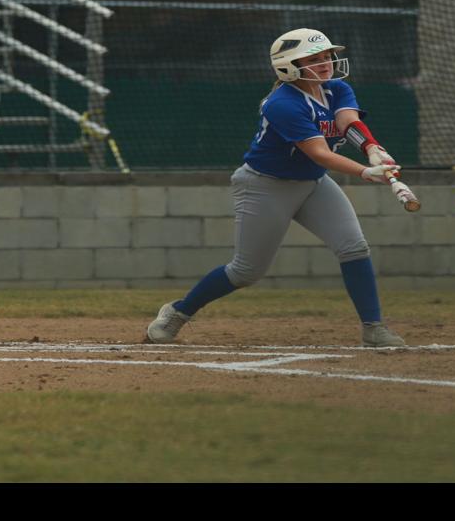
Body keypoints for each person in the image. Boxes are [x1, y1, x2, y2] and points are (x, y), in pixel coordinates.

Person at [146, 28, 407, 347]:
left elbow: (348, 123)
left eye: (326, 56)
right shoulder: (282, 103)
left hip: (313, 182)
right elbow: (319, 153)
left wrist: (371, 148)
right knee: (245, 272)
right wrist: (366, 172)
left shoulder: (337, 89)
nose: (325, 63)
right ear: (288, 65)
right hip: (265, 186)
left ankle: (373, 327)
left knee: (354, 247)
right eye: (313, 59)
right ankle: (177, 313)